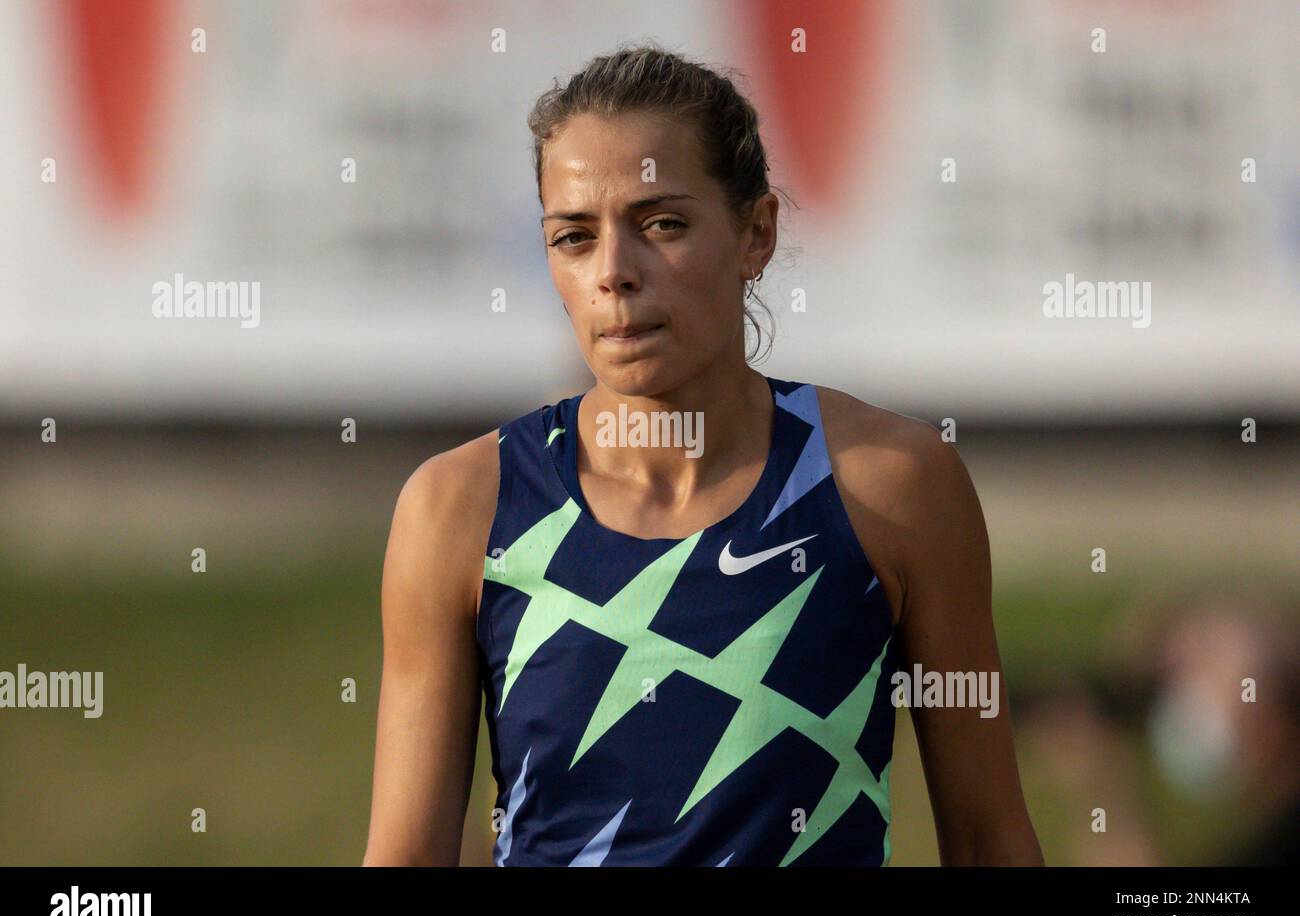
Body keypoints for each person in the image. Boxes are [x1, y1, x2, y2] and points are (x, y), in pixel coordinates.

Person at [363, 44, 1043, 866]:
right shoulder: (458, 508)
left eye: (661, 224)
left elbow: (990, 840)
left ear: (757, 233)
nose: (614, 272)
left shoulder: (893, 486)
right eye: (574, 237)